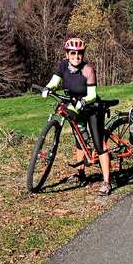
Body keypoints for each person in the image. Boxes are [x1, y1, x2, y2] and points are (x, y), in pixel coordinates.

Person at [42, 37, 113, 195]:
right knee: (79, 140)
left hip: (92, 108)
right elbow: (55, 81)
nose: (76, 56)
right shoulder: (63, 66)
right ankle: (81, 174)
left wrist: (83, 101)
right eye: (72, 53)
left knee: (99, 144)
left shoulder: (88, 70)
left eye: (79, 53)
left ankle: (107, 182)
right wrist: (48, 88)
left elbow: (92, 95)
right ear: (67, 54)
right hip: (77, 106)